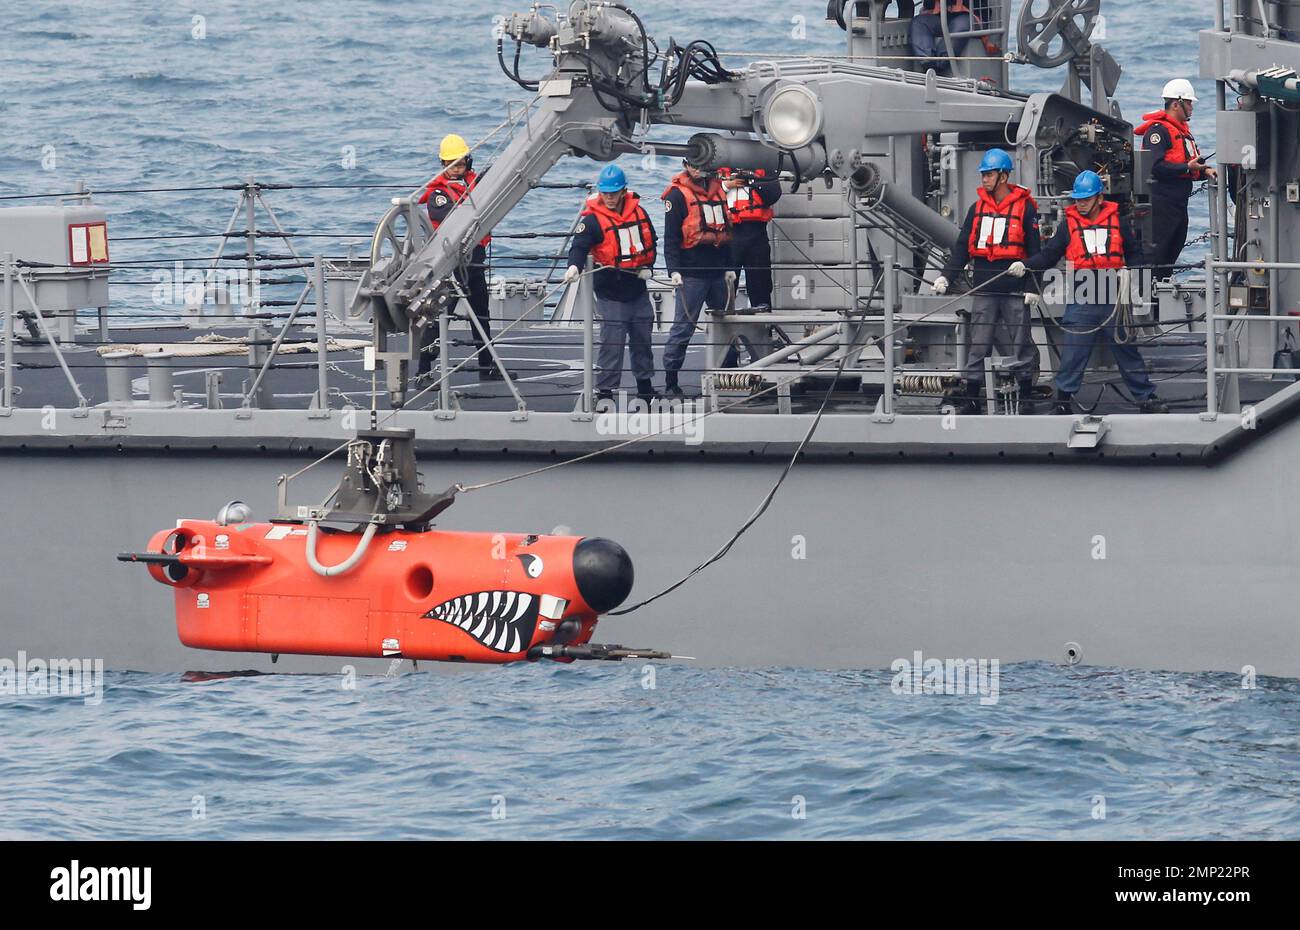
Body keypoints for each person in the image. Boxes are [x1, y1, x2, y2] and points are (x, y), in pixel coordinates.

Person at [1018, 170, 1170, 414]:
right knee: (1074, 351)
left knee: (1126, 348)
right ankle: (1063, 401)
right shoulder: (1069, 225)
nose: (1081, 203)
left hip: (1113, 291)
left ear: (1099, 198)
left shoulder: (1119, 222)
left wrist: (1135, 275)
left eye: (1086, 198)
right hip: (1083, 292)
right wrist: (1026, 265)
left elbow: (1134, 254)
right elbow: (1049, 255)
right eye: (1078, 199)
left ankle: (1146, 398)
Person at [935, 148, 1041, 414]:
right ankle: (972, 399)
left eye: (989, 174)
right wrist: (945, 277)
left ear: (1003, 176)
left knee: (1022, 343)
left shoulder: (1026, 209)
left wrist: (1031, 287)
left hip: (1015, 292)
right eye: (983, 174)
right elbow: (961, 248)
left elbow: (1036, 252)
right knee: (978, 345)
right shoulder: (977, 209)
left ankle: (1026, 397)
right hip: (984, 291)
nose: (984, 179)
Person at [416, 133, 508, 381]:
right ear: (443, 164)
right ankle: (423, 370)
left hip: (474, 258)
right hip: (450, 263)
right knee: (438, 318)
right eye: (452, 163)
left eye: (461, 163)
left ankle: (486, 367)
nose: (458, 168)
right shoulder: (438, 195)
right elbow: (454, 217)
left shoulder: (474, 182)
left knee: (482, 315)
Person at [563, 164, 658, 403]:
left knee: (642, 340)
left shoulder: (640, 213)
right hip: (610, 292)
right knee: (611, 343)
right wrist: (573, 266)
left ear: (624, 190)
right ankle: (605, 392)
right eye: (605, 192)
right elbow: (579, 246)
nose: (609, 197)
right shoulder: (593, 221)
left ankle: (645, 386)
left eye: (613, 192)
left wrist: (649, 268)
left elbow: (651, 242)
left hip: (637, 288)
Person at [661, 160, 733, 398]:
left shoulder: (718, 190)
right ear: (685, 165)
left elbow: (727, 232)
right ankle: (671, 381)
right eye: (692, 164)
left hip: (717, 273)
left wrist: (729, 267)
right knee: (683, 329)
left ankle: (731, 378)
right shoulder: (676, 196)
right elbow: (670, 238)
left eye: (700, 163)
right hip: (691, 275)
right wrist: (674, 270)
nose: (696, 168)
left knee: (727, 326)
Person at [1135, 79, 1218, 282]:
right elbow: (1155, 167)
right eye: (1189, 103)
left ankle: (1161, 291)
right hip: (1162, 205)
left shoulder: (1182, 132)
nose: (1191, 107)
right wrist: (1186, 168)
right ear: (1175, 104)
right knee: (1158, 255)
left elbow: (1185, 165)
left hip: (1178, 205)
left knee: (1172, 253)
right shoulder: (1158, 131)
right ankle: (1151, 300)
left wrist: (1203, 171)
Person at [720, 167, 782, 311]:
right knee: (724, 287)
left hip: (756, 233)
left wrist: (753, 180)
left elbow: (773, 195)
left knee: (760, 285)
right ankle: (724, 326)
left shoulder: (764, 168)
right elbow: (705, 194)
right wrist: (726, 185)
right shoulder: (717, 169)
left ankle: (763, 326)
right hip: (728, 234)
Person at [910, 0, 972, 76]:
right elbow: (929, 4)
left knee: (960, 27)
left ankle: (939, 66)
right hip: (941, 16)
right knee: (919, 22)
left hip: (969, 15)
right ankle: (929, 65)